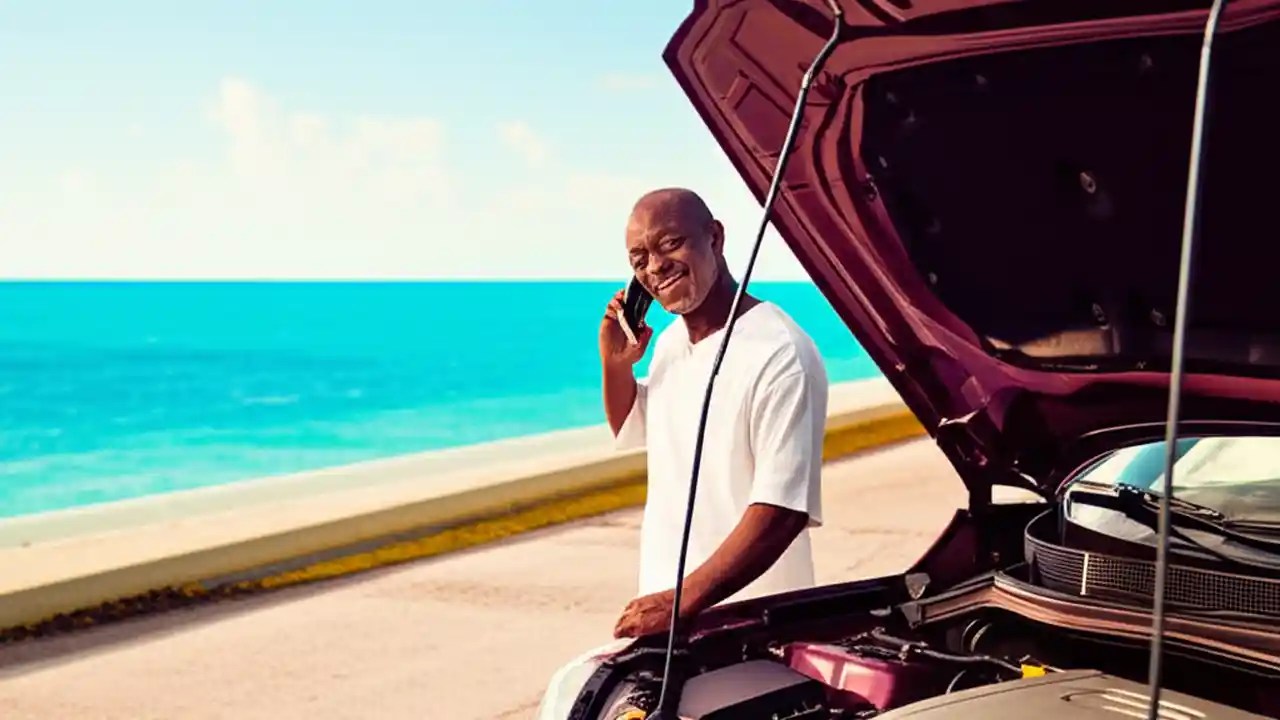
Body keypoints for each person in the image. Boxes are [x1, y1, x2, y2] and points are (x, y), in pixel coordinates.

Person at [600, 187, 828, 639]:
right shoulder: (669, 344)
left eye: (670, 244)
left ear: (715, 238)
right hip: (668, 612)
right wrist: (615, 364)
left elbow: (782, 509)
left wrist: (680, 601)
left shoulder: (780, 351)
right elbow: (633, 425)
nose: (655, 267)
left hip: (752, 626)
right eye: (639, 260)